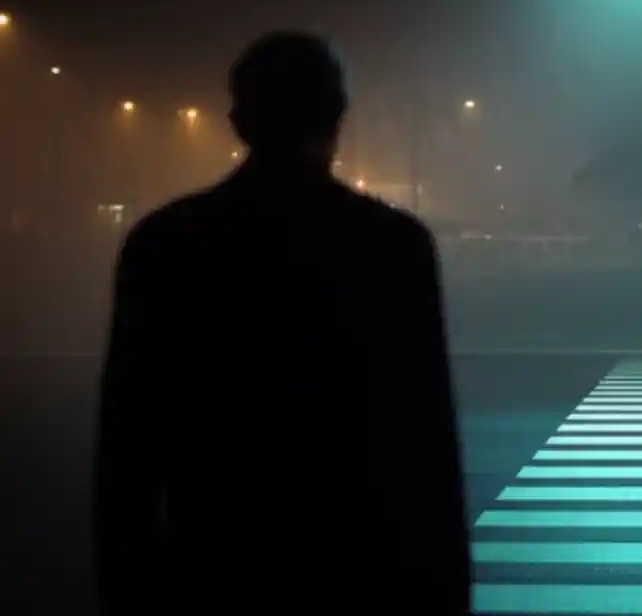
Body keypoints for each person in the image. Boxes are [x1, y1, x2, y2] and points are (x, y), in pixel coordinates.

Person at [93, 32, 470, 616]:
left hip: (213, 565)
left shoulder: (165, 244)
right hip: (360, 568)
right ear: (337, 115)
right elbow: (427, 444)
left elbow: (128, 448)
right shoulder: (394, 248)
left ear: (238, 121)